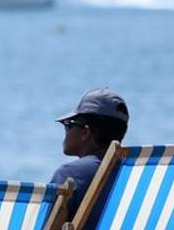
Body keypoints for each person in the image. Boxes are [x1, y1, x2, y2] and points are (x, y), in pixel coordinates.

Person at [50, 87, 130, 218]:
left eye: (68, 125)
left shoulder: (70, 174)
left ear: (85, 132)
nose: (66, 130)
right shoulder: (133, 174)